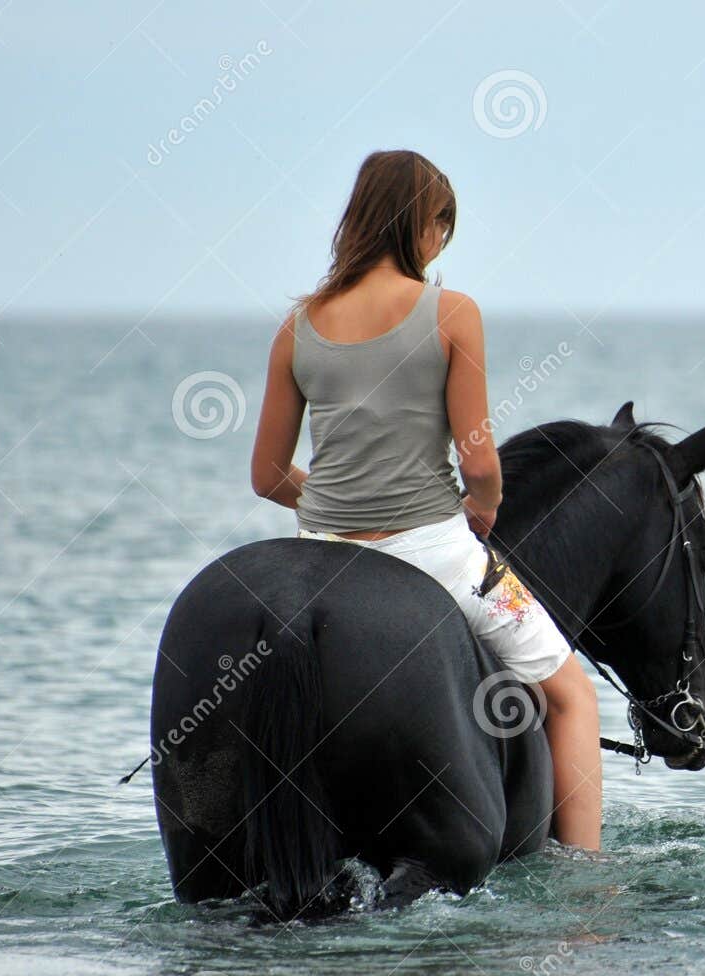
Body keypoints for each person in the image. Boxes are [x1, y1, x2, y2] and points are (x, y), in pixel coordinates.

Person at [248, 149, 603, 849]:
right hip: (437, 554)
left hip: (320, 560)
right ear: (420, 225)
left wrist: (327, 501)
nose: (441, 243)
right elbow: (480, 462)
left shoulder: (296, 328)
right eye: (441, 226)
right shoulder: (453, 313)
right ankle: (590, 890)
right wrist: (485, 510)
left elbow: (265, 474)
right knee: (573, 695)